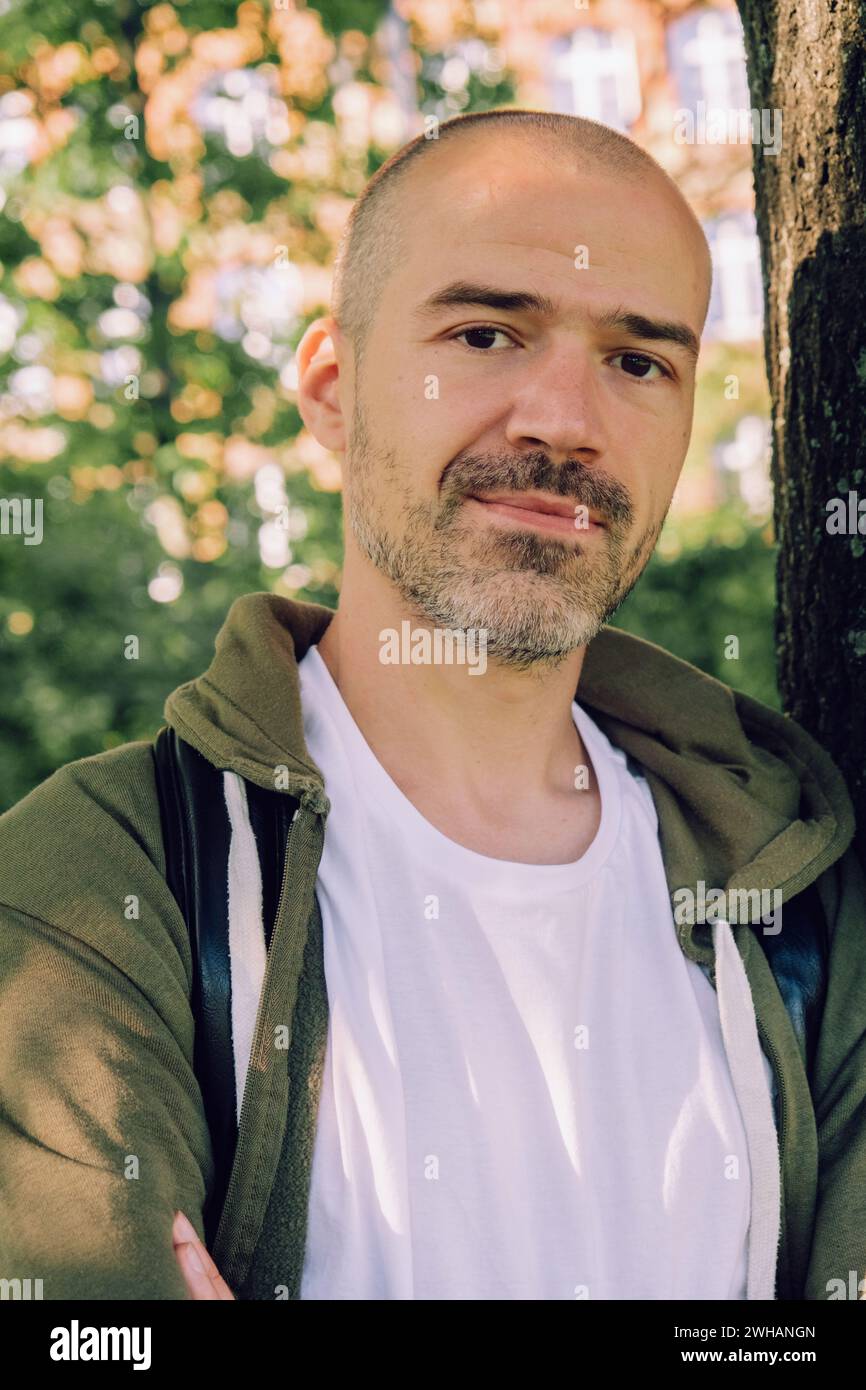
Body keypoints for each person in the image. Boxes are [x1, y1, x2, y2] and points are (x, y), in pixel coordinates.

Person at [1, 109, 864, 1303]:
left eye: (637, 361)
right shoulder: (105, 882)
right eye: (484, 331)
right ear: (332, 388)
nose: (563, 421)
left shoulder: (802, 900)